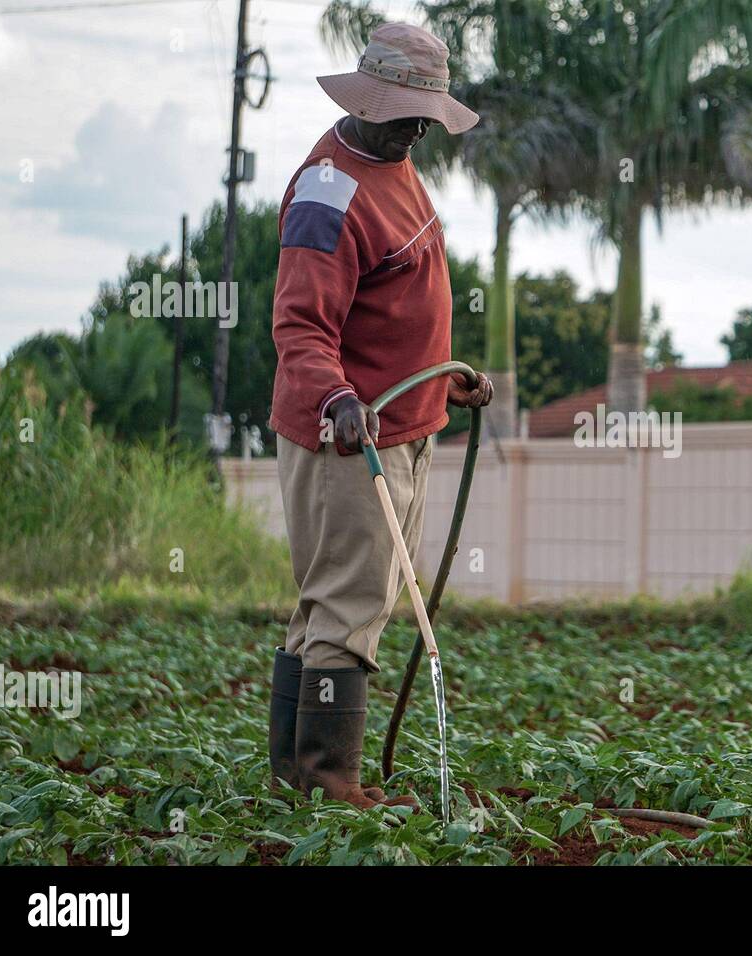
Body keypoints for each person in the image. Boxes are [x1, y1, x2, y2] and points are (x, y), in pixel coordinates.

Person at [266, 22, 492, 809]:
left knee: (330, 604)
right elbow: (301, 326)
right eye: (404, 112)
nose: (418, 128)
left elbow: (387, 312)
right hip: (346, 439)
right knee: (349, 607)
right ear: (367, 99)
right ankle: (331, 784)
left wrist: (437, 384)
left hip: (401, 421)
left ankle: (297, 778)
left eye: (426, 114)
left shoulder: (392, 160)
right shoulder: (329, 189)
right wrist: (338, 399)